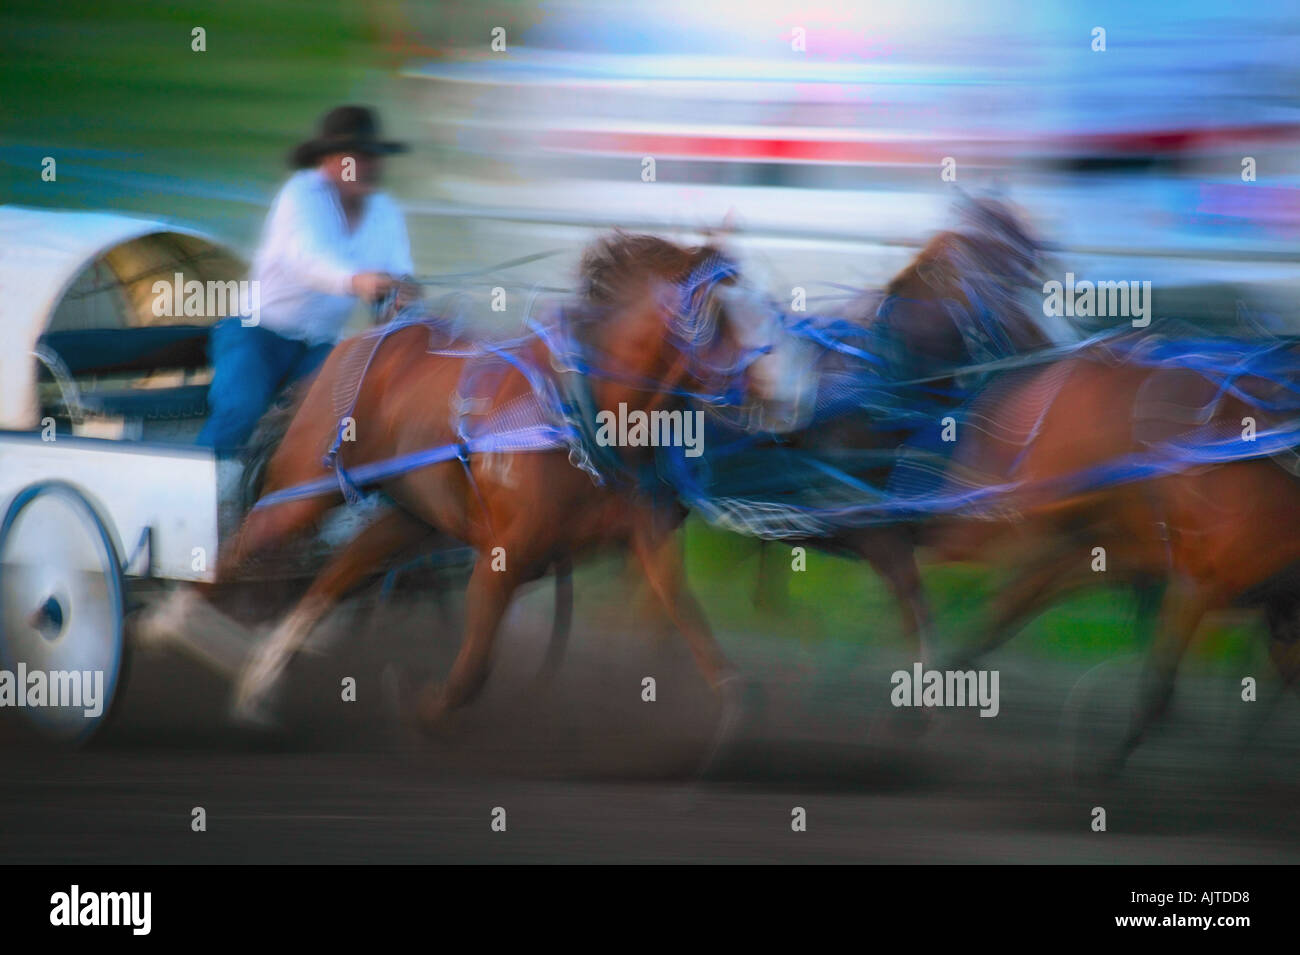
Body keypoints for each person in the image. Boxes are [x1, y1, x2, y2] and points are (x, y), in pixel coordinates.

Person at [198, 105, 414, 453]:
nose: (369, 165)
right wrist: (358, 281)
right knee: (241, 410)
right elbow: (305, 260)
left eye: (373, 156)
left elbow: (400, 274)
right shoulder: (299, 194)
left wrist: (402, 297)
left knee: (346, 419)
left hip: (321, 344)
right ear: (328, 162)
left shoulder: (387, 211)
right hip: (256, 332)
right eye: (357, 156)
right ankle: (193, 487)